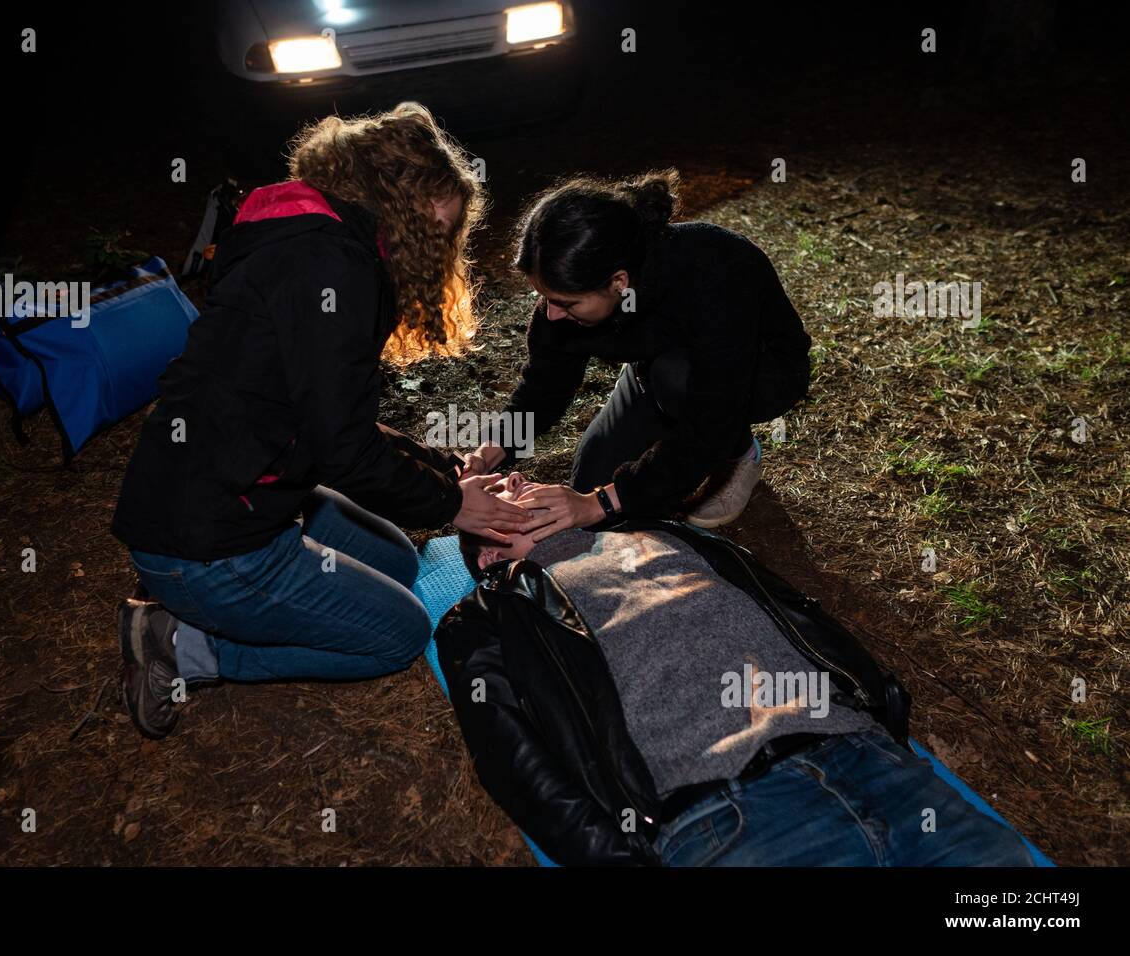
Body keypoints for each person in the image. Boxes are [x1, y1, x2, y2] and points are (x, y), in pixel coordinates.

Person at [110, 103, 533, 739]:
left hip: (223, 490)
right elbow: (342, 448)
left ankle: (237, 589)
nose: (444, 248)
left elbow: (331, 419)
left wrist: (442, 470)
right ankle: (184, 641)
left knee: (399, 563)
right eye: (442, 231)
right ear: (407, 211)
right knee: (399, 634)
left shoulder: (310, 237)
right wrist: (453, 504)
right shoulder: (338, 268)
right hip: (213, 543)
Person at [440, 473, 1036, 867]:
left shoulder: (666, 532)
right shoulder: (490, 614)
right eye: (498, 491)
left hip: (872, 761)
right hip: (728, 814)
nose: (517, 478)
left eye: (515, 475)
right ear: (489, 550)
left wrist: (881, 713)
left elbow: (804, 619)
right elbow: (512, 759)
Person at [461, 169, 811, 539]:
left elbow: (712, 415)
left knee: (673, 388)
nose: (551, 314)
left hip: (757, 371)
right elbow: (544, 386)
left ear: (619, 282)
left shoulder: (715, 273)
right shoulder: (570, 294)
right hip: (658, 365)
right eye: (545, 298)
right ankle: (656, 397)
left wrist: (602, 502)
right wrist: (491, 450)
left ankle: (740, 454)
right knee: (593, 490)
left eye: (565, 303)